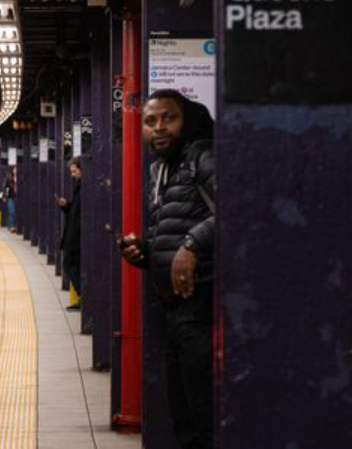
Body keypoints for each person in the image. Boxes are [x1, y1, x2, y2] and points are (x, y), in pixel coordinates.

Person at [117, 89, 215, 449]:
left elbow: (238, 208)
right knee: (182, 409)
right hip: (174, 307)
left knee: (204, 408)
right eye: (150, 121)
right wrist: (144, 253)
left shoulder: (203, 156)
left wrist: (191, 245)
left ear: (185, 121)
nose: (158, 127)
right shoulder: (162, 169)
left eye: (168, 118)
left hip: (201, 302)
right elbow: (176, 227)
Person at [57, 157, 82, 310]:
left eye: (74, 171)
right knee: (73, 266)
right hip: (74, 234)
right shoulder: (79, 187)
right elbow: (75, 210)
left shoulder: (84, 187)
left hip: (77, 236)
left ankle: (84, 296)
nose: (72, 175)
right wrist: (66, 206)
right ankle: (83, 298)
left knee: (69, 264)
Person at [0, 167, 18, 232]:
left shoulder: (20, 177)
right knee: (11, 211)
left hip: (18, 197)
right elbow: (5, 188)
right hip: (11, 197)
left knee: (15, 212)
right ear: (12, 170)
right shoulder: (9, 178)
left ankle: (13, 225)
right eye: (15, 169)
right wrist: (4, 196)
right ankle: (12, 226)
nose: (15, 170)